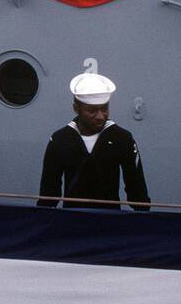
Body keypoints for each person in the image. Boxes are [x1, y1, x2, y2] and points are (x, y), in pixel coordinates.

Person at [38, 72, 150, 210]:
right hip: (71, 223)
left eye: (105, 109)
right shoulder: (60, 139)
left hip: (109, 223)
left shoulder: (122, 138)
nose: (100, 116)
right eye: (92, 110)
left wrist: (143, 221)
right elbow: (48, 193)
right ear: (76, 108)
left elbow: (137, 191)